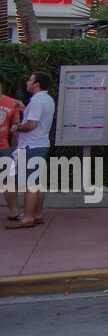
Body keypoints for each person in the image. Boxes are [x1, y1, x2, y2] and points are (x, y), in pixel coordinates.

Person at [6, 73, 56, 230]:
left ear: (37, 84)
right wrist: (23, 109)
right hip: (40, 144)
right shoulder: (46, 99)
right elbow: (37, 119)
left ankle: (27, 218)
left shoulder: (37, 101)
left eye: (30, 80)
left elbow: (31, 125)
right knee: (36, 182)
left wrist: (16, 127)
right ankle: (37, 214)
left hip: (30, 146)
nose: (27, 82)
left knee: (28, 183)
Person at [1, 79, 26, 222]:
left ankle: (14, 211)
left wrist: (16, 147)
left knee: (8, 180)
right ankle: (14, 211)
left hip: (3, 147)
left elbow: (15, 127)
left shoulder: (12, 103)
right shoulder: (11, 103)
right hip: (4, 148)